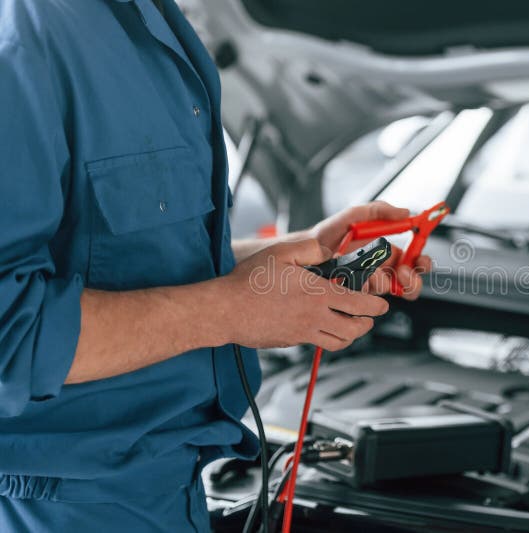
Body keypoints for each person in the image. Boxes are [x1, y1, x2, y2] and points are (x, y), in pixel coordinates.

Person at [0, 0, 431, 530]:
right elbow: (8, 337)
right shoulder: (23, 38)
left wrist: (311, 256)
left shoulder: (161, 27)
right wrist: (230, 311)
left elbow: (146, 264)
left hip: (174, 489)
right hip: (56, 507)